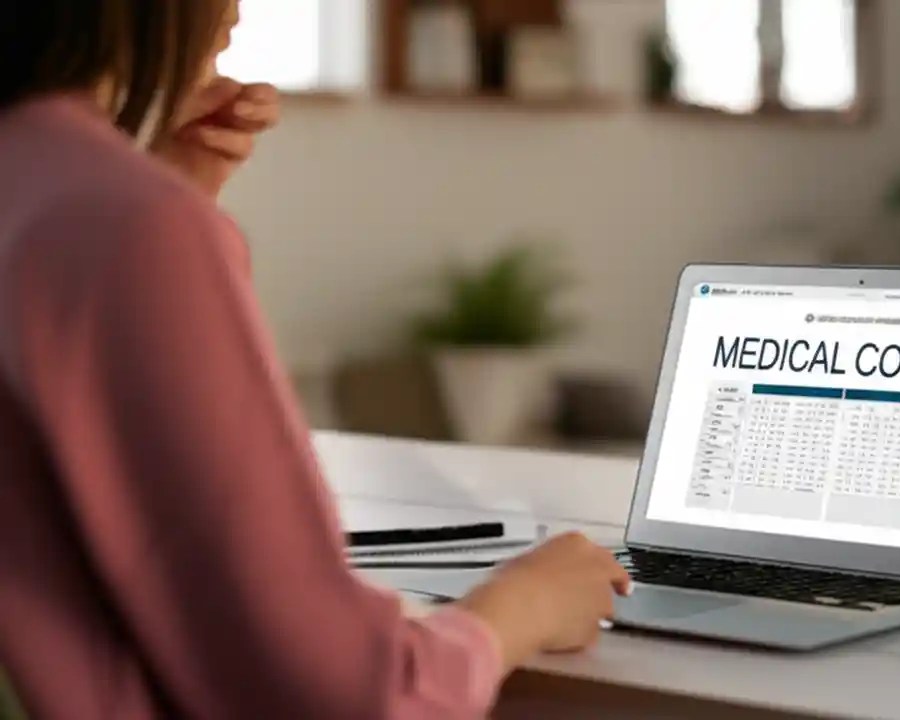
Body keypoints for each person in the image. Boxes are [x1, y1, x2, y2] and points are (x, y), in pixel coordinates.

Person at [0, 2, 631, 718]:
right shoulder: (129, 226)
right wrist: (523, 606)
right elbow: (341, 699)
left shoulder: (46, 191)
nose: (236, 12)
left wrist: (171, 191)